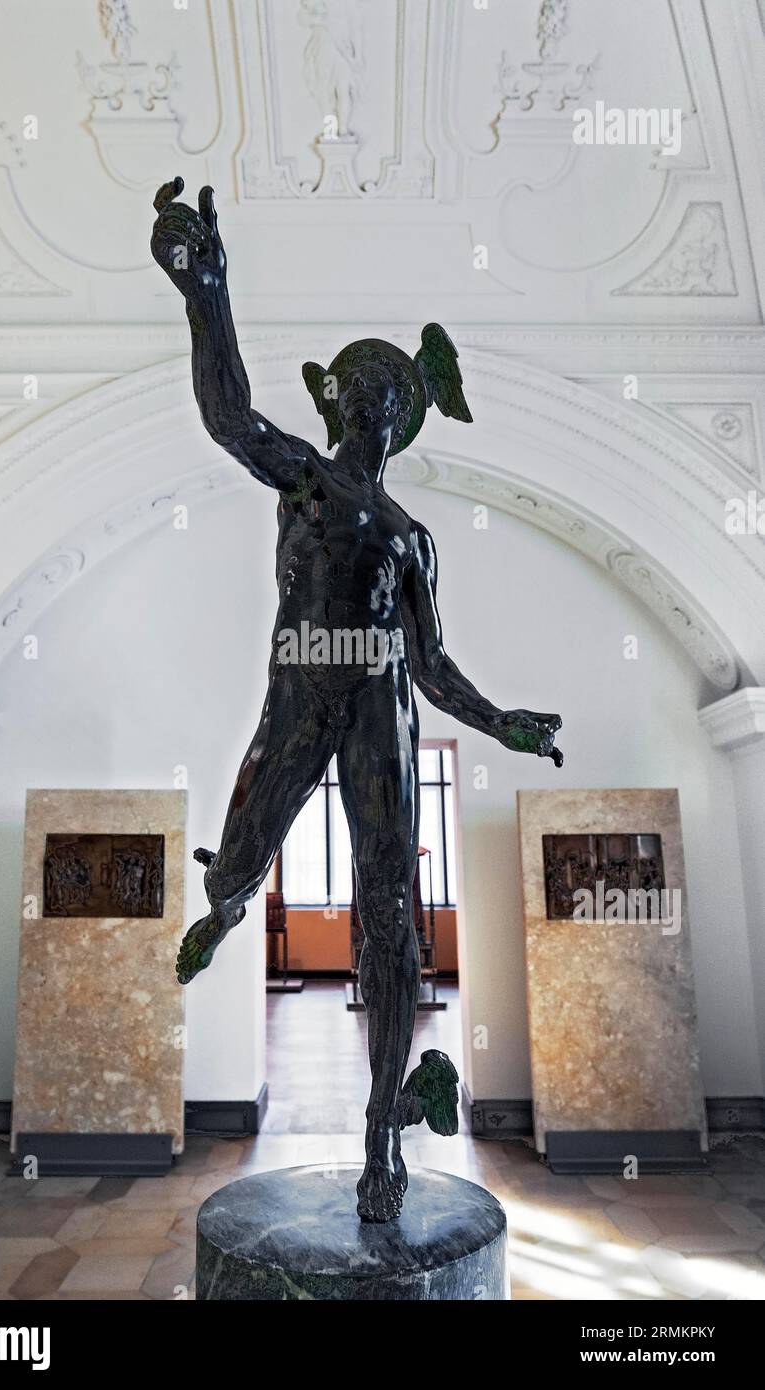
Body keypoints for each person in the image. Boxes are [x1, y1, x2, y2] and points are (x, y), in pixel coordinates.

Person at [150, 179, 563, 1221]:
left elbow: (431, 664)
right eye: (359, 384)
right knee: (244, 846)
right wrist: (207, 290)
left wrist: (502, 719)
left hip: (380, 707)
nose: (374, 398)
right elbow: (227, 414)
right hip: (301, 690)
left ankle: (383, 1122)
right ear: (335, 402)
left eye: (391, 390)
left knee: (389, 912)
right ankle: (229, 899)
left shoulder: (413, 537)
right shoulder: (299, 479)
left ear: (401, 418)